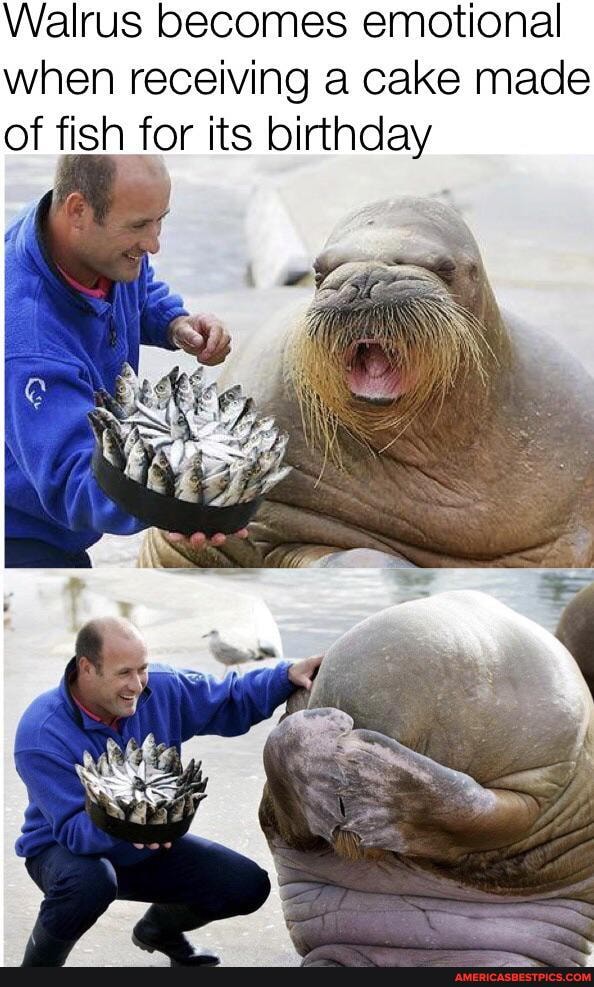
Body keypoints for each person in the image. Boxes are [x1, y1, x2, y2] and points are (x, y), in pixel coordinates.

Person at [14, 616, 323, 967]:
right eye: (123, 673)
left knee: (247, 885)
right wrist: (131, 827)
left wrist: (286, 675)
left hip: (147, 840)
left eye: (142, 668)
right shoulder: (40, 733)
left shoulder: (160, 688)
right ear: (87, 668)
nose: (137, 684)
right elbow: (72, 830)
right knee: (91, 883)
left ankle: (159, 931)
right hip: (62, 850)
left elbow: (228, 698)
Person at [5, 154, 247, 568]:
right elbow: (73, 480)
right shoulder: (28, 342)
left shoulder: (91, 244)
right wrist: (178, 505)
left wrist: (174, 323)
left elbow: (138, 288)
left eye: (160, 220)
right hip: (22, 542)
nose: (154, 242)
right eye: (140, 226)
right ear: (78, 209)